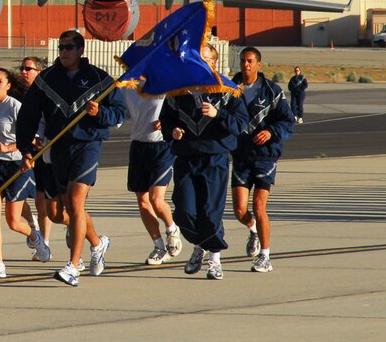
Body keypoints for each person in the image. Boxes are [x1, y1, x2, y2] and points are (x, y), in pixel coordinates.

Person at [17, 30, 125, 288]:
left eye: (68, 48)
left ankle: (73, 266)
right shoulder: (46, 79)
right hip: (57, 148)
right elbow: (28, 116)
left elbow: (119, 114)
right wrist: (25, 150)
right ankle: (98, 244)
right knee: (56, 213)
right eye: (61, 48)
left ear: (80, 50)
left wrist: (100, 112)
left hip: (87, 145)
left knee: (76, 202)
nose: (63, 52)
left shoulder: (99, 79)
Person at [159, 43, 249, 281]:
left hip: (215, 157)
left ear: (214, 62)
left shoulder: (227, 89)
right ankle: (199, 244)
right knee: (185, 211)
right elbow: (165, 120)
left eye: (206, 59)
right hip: (186, 157)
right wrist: (173, 131)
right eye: (197, 59)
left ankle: (214, 260)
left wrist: (218, 114)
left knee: (210, 212)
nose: (201, 63)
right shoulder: (179, 91)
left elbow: (241, 123)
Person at [0, 68, 47, 279]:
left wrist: (8, 148)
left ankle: (36, 237)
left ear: (8, 85)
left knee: (13, 222)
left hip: (16, 167)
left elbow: (33, 140)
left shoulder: (16, 107)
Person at [230, 47, 295, 273]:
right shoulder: (230, 89)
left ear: (259, 64)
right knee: (239, 210)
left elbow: (287, 121)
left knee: (259, 205)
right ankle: (254, 230)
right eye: (242, 61)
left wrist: (271, 132)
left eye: (250, 61)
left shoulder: (271, 91)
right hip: (240, 155)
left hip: (265, 157)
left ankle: (265, 256)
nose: (245, 65)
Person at [121, 87, 183, 265]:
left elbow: (181, 111)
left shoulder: (166, 86)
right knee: (142, 200)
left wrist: (169, 123)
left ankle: (172, 229)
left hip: (162, 146)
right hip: (139, 146)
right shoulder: (128, 88)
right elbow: (120, 113)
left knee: (156, 199)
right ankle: (158, 246)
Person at [14, 56, 54, 261]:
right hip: (24, 153)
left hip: (44, 152)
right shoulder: (17, 94)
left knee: (43, 200)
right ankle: (33, 226)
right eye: (21, 68)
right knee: (18, 198)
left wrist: (40, 139)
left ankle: (44, 241)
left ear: (39, 72)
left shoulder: (47, 92)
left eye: (28, 69)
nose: (23, 72)